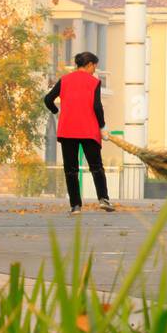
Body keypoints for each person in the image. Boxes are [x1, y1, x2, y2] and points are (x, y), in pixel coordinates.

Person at [44, 51, 114, 214]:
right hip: (88, 130)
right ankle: (103, 199)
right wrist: (102, 126)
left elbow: (48, 99)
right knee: (96, 167)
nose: (94, 71)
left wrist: (57, 111)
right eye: (94, 67)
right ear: (89, 64)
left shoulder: (64, 80)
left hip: (67, 130)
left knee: (71, 169)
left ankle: (75, 206)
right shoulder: (94, 82)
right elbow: (97, 106)